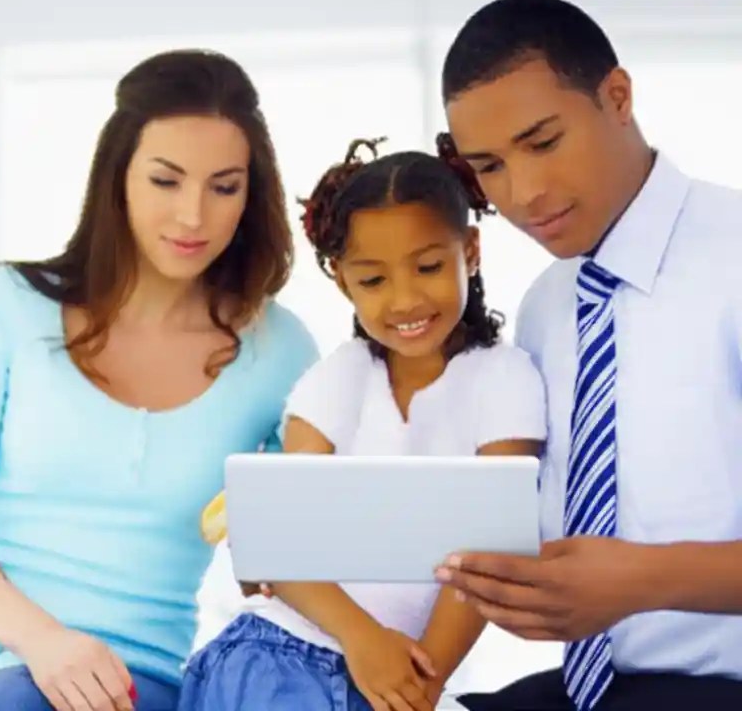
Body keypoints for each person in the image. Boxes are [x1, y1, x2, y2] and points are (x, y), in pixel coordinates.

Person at [0, 49, 317, 711]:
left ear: (250, 196)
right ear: (118, 177)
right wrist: (47, 643)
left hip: (132, 684)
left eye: (224, 187)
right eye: (166, 181)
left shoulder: (279, 351)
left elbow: (308, 542)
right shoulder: (6, 304)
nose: (192, 217)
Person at [430, 0, 742, 710]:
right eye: (490, 167)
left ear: (618, 97)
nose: (525, 194)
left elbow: (622, 571)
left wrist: (640, 581)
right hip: (586, 692)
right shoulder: (545, 307)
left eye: (543, 142)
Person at [183, 138, 545, 711]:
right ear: (342, 281)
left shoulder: (505, 380)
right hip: (281, 654)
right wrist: (361, 638)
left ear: (470, 252)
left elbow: (489, 555)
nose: (403, 300)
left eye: (427, 267)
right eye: (373, 280)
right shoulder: (341, 378)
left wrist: (422, 686)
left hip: (407, 678)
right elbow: (275, 536)